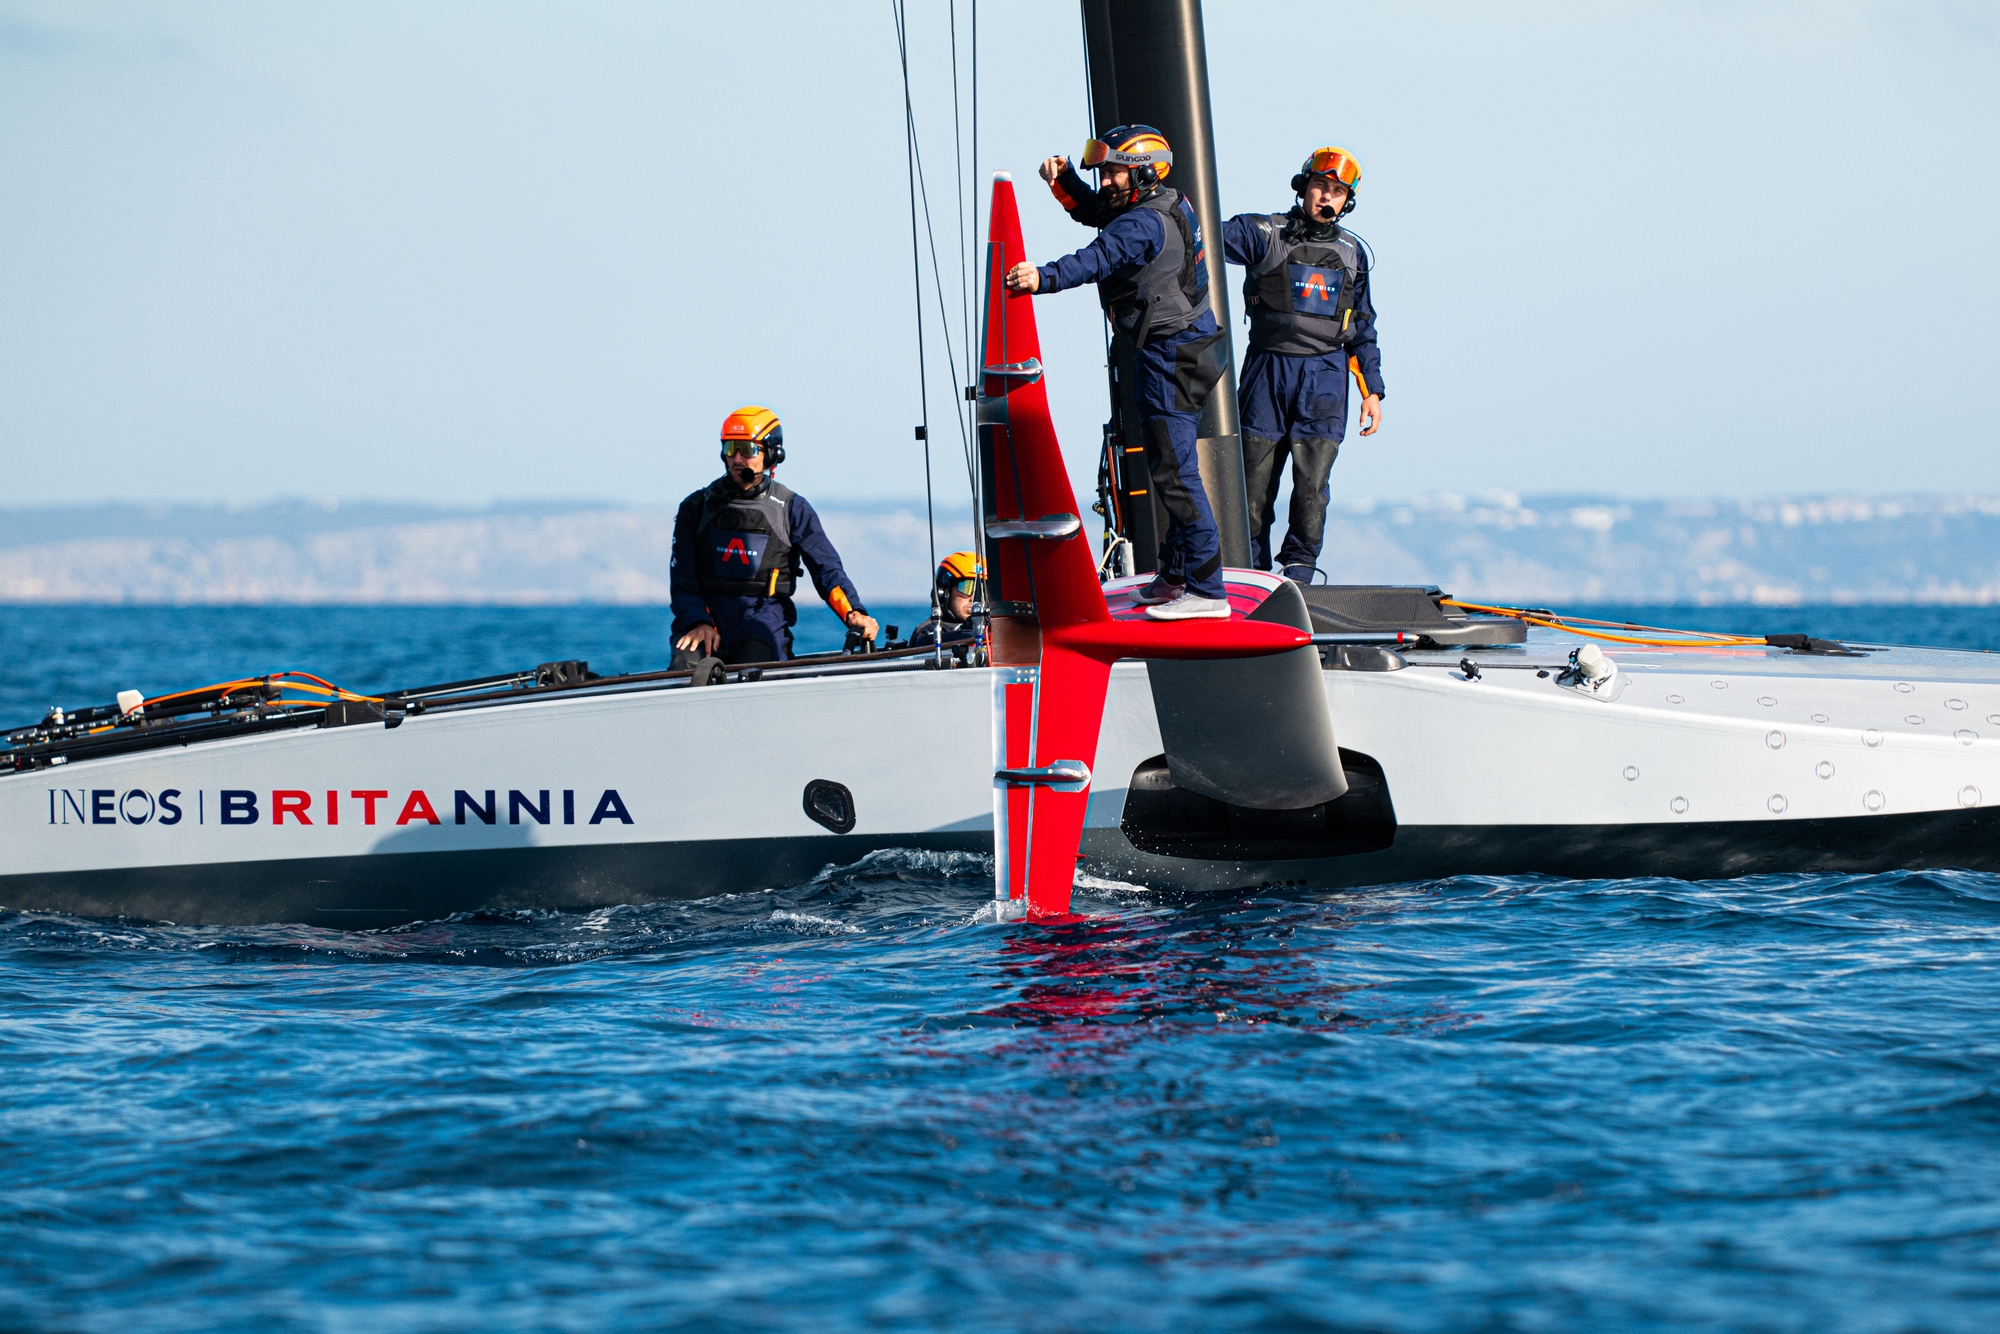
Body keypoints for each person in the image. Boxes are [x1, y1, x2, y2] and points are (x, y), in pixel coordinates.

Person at [1003, 125, 1231, 622]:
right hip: (1194, 346)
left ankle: (1208, 590)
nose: (1106, 182)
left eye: (1113, 173)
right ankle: (1175, 575)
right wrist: (1063, 181)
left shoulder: (1142, 224)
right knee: (1171, 464)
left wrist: (1042, 277)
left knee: (1175, 473)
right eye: (1103, 173)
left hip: (1169, 354)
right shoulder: (1159, 203)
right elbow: (1099, 214)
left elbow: (1097, 257)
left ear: (1144, 173)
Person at [1220, 146, 1385, 582]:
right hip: (1267, 372)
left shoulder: (1353, 254)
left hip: (1325, 378)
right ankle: (1251, 576)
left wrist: (1373, 392)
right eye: (1319, 186)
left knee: (1312, 487)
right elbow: (1200, 236)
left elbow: (1363, 326)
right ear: (1303, 187)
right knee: (1253, 488)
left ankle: (1299, 574)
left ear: (1346, 200)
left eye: (1336, 191)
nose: (1326, 197)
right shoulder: (1264, 233)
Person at [670, 406, 878, 664]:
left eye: (747, 450)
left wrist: (854, 613)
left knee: (756, 662)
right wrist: (698, 621)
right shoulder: (695, 508)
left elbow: (827, 570)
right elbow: (683, 580)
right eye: (730, 448)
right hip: (707, 617)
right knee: (685, 662)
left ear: (772, 454)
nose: (737, 459)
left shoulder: (793, 508)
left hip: (762, 618)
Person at [910, 551, 983, 648]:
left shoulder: (991, 628)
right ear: (944, 592)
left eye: (981, 590)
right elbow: (926, 643)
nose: (974, 598)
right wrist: (972, 631)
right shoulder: (928, 630)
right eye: (966, 587)